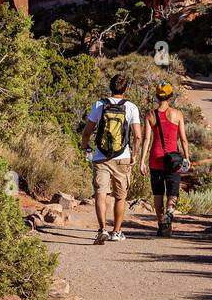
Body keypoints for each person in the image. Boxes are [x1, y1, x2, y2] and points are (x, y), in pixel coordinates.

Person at [81, 74, 141, 244]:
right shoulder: (131, 107)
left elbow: (87, 131)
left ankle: (102, 230)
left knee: (101, 193)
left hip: (101, 156)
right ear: (125, 89)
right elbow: (137, 137)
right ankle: (116, 231)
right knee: (120, 196)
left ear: (110, 87)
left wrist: (86, 147)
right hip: (123, 157)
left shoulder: (100, 104)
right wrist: (134, 155)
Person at [139, 81, 189, 237]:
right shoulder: (177, 114)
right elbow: (183, 139)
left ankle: (161, 225)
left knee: (158, 193)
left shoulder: (150, 115)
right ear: (171, 95)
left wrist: (141, 161)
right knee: (173, 192)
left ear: (156, 96)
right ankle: (169, 213)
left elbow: (146, 139)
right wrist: (186, 157)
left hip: (155, 158)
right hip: (173, 159)